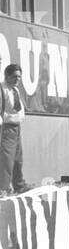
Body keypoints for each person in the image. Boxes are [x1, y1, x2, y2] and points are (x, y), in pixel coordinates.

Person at [0, 63, 27, 196]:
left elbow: (19, 110)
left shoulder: (15, 90)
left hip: (17, 128)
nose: (18, 79)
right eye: (15, 76)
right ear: (7, 76)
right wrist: (10, 119)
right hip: (6, 128)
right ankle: (3, 188)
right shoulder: (2, 89)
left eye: (19, 77)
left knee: (18, 158)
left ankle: (19, 185)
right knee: (6, 159)